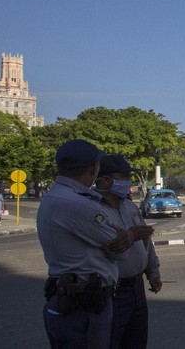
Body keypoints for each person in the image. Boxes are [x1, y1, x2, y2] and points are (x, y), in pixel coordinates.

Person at [37, 139, 135, 349]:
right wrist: (128, 236)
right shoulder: (79, 204)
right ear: (94, 169)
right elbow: (121, 252)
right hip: (84, 305)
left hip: (68, 296)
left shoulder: (54, 196)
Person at [96, 155, 161, 349]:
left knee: (137, 341)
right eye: (124, 176)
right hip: (111, 290)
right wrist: (130, 236)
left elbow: (146, 240)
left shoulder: (129, 206)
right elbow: (107, 246)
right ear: (106, 180)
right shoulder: (92, 209)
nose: (128, 181)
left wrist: (153, 272)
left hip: (136, 287)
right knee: (112, 341)